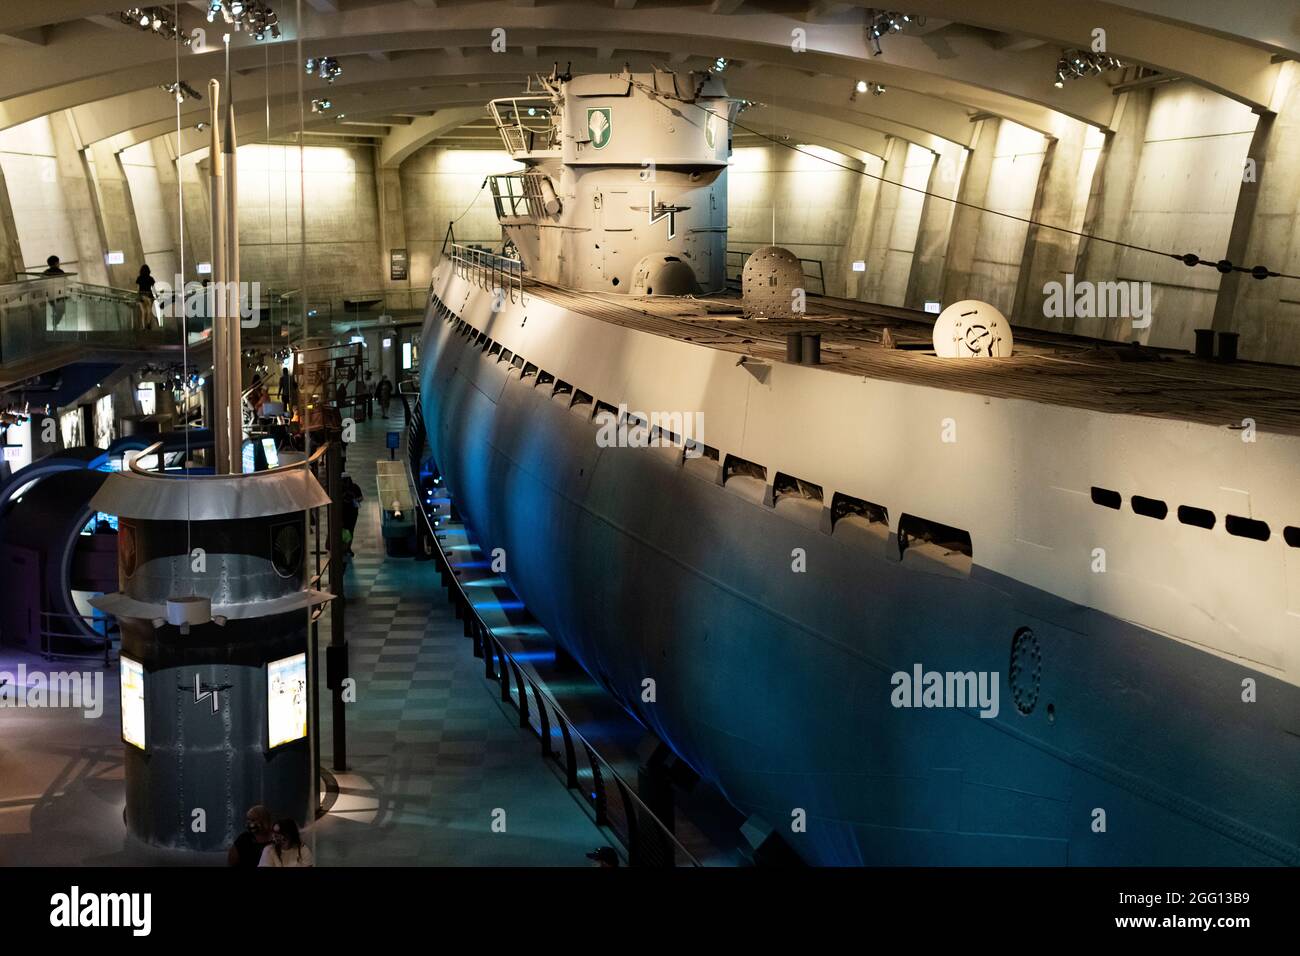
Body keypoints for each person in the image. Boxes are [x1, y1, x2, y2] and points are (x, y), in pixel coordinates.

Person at [42, 255, 67, 329]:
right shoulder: (60, 272)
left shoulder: (45, 272)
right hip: (59, 295)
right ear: (56, 263)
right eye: (58, 263)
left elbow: (43, 283)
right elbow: (65, 282)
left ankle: (54, 325)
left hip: (50, 295)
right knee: (61, 310)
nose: (59, 264)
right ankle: (55, 324)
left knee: (54, 309)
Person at [135, 264, 156, 332]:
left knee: (143, 312)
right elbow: (153, 288)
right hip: (149, 296)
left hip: (141, 296)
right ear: (148, 271)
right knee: (149, 311)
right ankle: (148, 324)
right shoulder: (151, 278)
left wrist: (138, 296)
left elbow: (137, 289)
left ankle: (144, 327)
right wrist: (156, 295)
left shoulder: (139, 278)